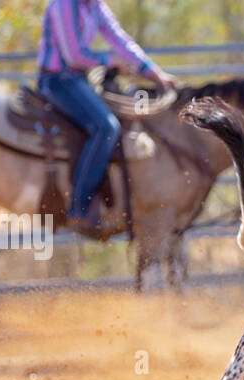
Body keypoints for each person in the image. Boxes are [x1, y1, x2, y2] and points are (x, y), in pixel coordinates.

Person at [37, 0, 176, 232]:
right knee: (106, 127)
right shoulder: (64, 5)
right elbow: (74, 56)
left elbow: (120, 40)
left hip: (78, 79)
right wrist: (111, 61)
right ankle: (79, 206)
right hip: (58, 80)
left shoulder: (94, 6)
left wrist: (155, 74)